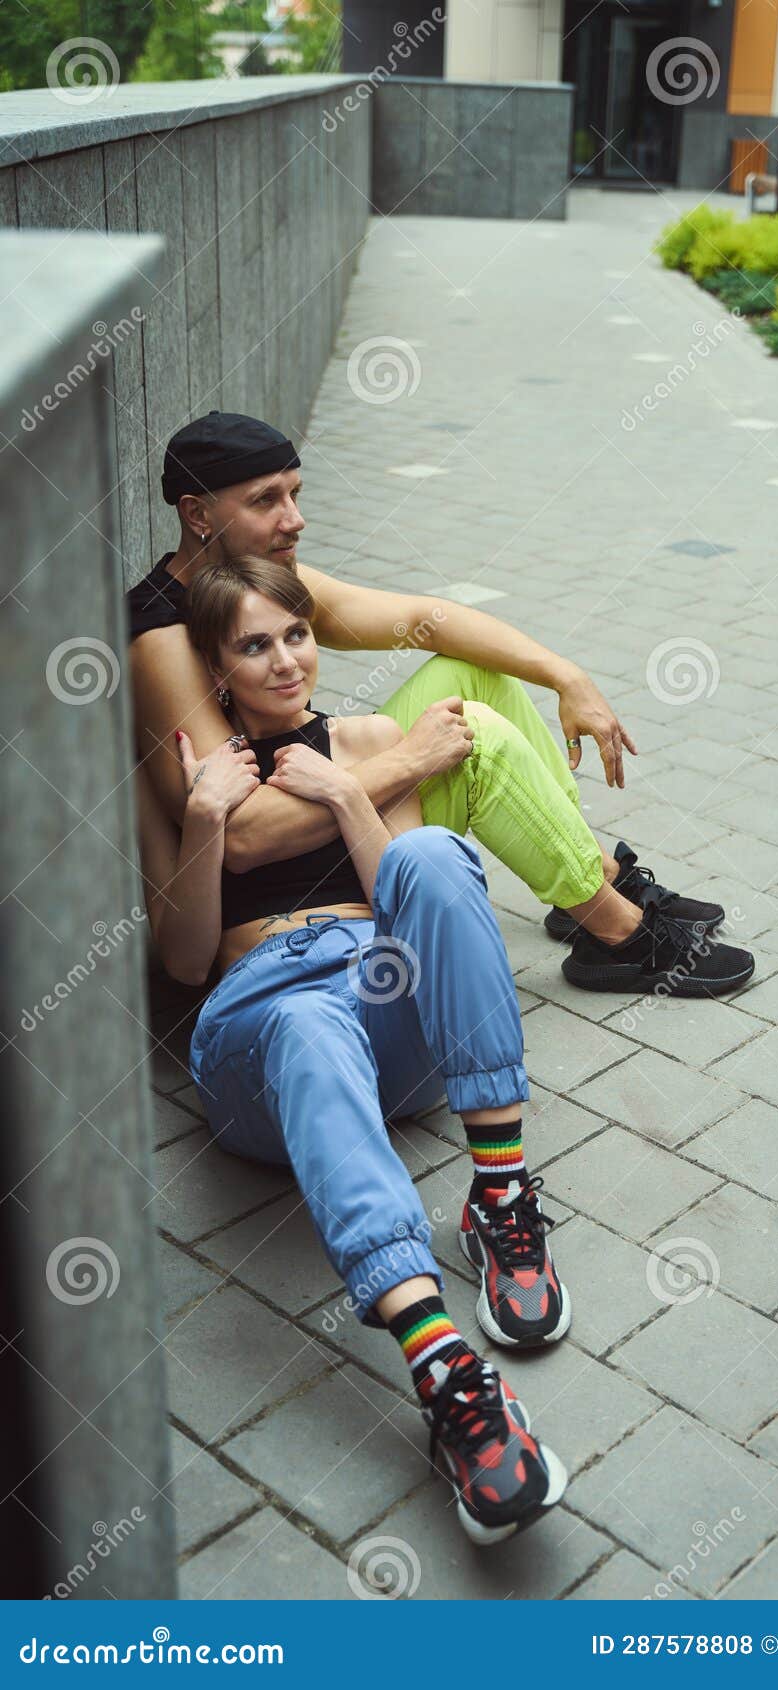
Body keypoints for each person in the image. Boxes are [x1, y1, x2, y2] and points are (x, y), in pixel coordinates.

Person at [136, 556, 573, 1547]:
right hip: (258, 1024)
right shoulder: (188, 772)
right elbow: (186, 960)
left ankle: (498, 1194)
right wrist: (203, 817)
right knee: (306, 1023)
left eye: (296, 633)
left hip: (382, 1001)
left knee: (431, 854)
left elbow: (403, 904)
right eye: (254, 645)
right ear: (216, 668)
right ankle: (443, 1369)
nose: (285, 660)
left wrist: (345, 795)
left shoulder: (370, 740)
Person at [127, 411, 754, 996]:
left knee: (471, 674)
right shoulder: (163, 638)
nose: (295, 520)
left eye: (295, 493)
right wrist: (413, 759)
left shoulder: (252, 582)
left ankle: (590, 879)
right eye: (266, 500)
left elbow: (428, 619)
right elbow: (242, 834)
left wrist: (567, 677)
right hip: (269, 898)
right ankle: (618, 934)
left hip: (323, 825)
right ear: (197, 513)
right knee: (469, 732)